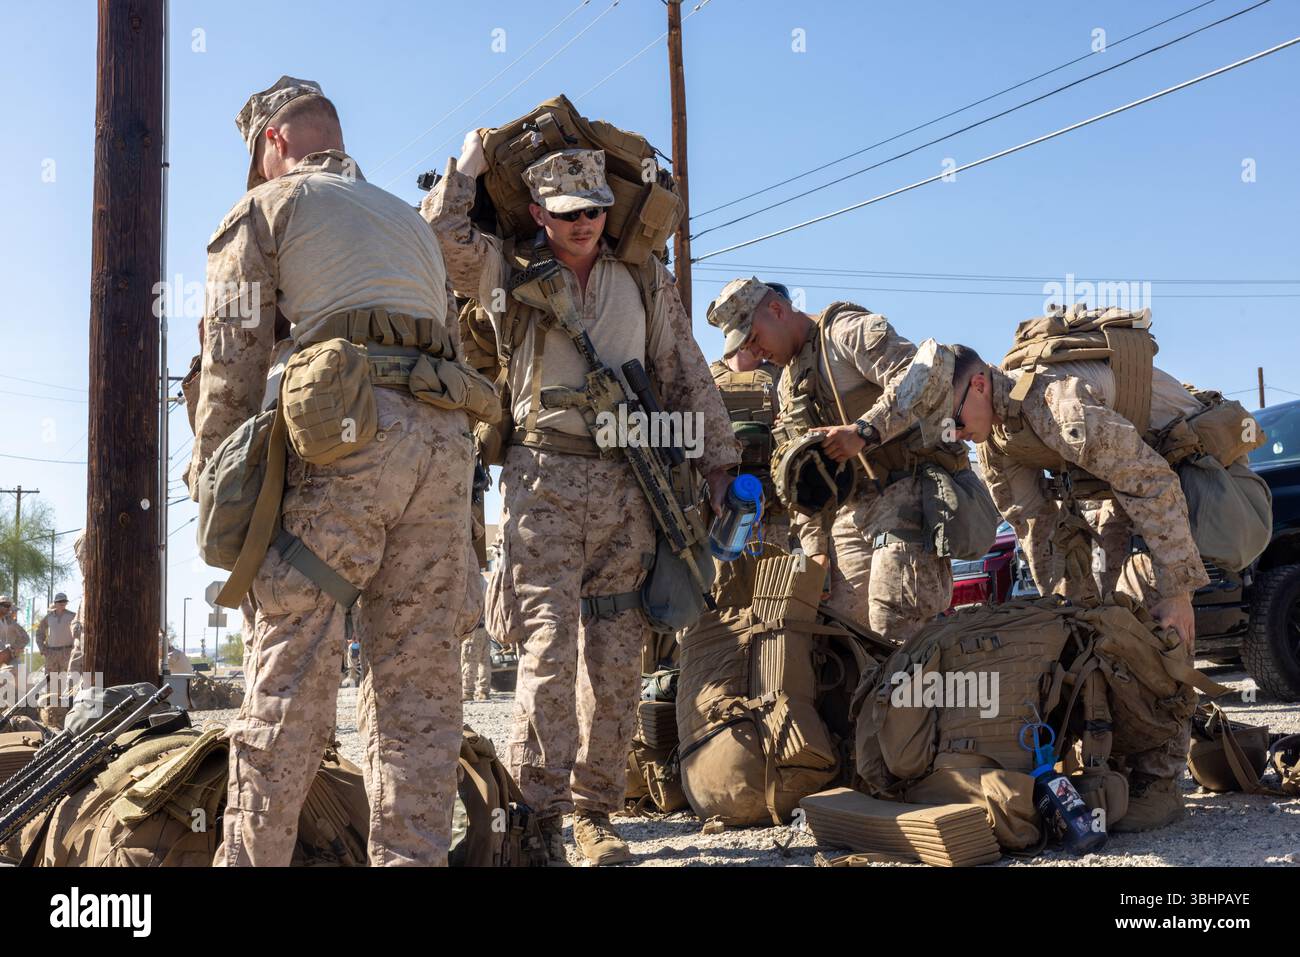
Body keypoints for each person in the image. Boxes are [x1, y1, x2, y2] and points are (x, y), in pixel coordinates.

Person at [421, 132, 739, 865]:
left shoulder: (641, 276)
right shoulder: (510, 274)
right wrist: (466, 167)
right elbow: (442, 239)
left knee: (618, 655)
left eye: (593, 208)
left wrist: (718, 461)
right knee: (547, 651)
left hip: (631, 482)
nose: (583, 222)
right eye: (566, 212)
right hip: (545, 480)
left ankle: (596, 812)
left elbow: (683, 366)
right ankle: (537, 819)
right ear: (537, 211)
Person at [190, 76, 475, 866]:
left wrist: (217, 483)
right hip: (445, 449)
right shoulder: (407, 223)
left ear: (272, 144)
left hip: (349, 441)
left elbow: (231, 363)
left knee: (291, 672)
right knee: (420, 690)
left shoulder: (266, 207)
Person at [853, 327, 1217, 831]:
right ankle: (1115, 757)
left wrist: (1179, 592)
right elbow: (1033, 525)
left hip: (1177, 472)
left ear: (979, 384)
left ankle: (1160, 779)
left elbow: (1152, 485)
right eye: (944, 431)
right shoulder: (998, 439)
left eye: (954, 421)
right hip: (1118, 489)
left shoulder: (1057, 407)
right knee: (1096, 624)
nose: (954, 435)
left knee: (1153, 623)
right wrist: (1063, 615)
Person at [706, 279, 967, 644]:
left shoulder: (845, 332)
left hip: (905, 495)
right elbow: (797, 480)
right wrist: (815, 552)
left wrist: (864, 429)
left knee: (896, 626)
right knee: (842, 637)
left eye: (755, 338)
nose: (759, 353)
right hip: (850, 514)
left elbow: (923, 376)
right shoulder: (788, 384)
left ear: (778, 310)